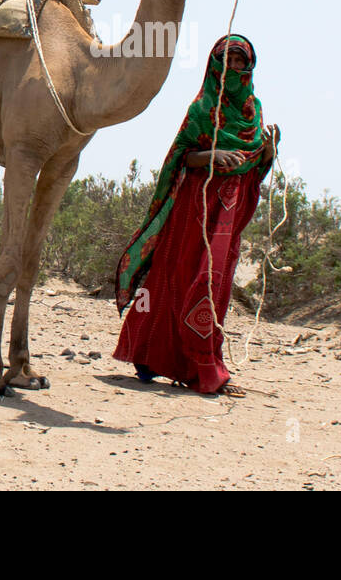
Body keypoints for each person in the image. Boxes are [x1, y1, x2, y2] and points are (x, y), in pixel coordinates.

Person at [113, 34, 280, 397]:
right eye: (229, 61)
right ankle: (174, 363)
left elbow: (254, 168)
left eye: (240, 62)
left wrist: (268, 151)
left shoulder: (255, 110)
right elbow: (180, 158)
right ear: (215, 64)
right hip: (195, 206)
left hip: (229, 213)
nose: (234, 68)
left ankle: (200, 362)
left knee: (213, 282)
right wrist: (212, 156)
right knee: (179, 277)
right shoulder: (202, 108)